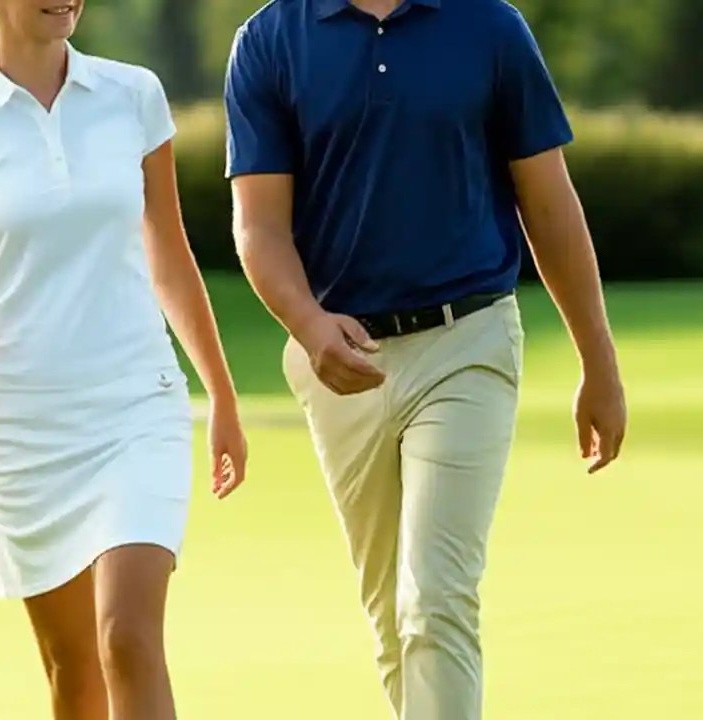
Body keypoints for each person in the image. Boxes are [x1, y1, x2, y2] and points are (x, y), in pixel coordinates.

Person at [224, 1, 628, 718]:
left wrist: (599, 361)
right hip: (339, 361)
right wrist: (310, 325)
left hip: (466, 340)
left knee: (433, 599)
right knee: (393, 620)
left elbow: (549, 201)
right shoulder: (269, 40)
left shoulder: (490, 26)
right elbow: (258, 227)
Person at [0, 1, 248, 718]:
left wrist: (220, 393)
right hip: (24, 431)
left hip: (136, 405)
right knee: (75, 676)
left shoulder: (134, 96)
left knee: (127, 635)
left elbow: (171, 258)